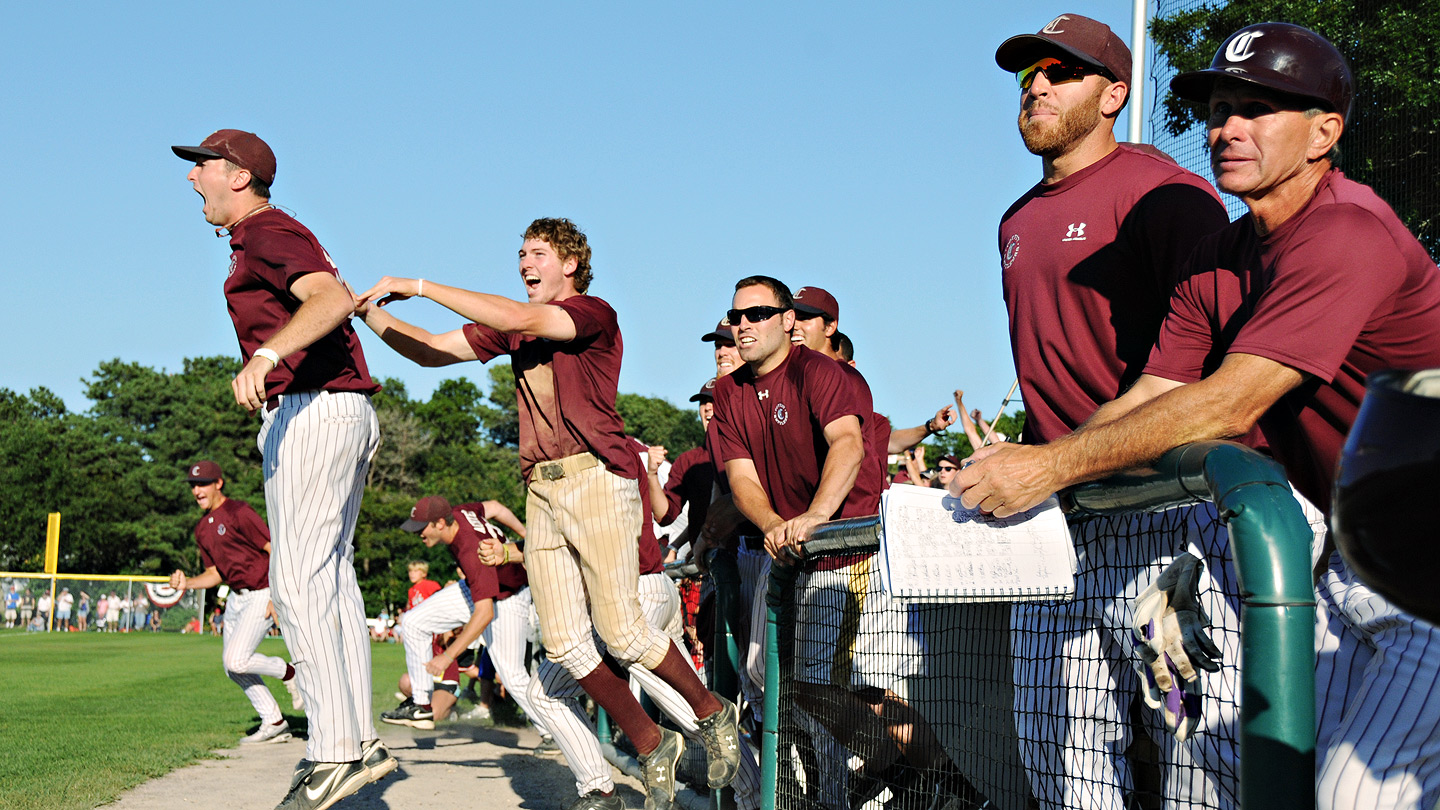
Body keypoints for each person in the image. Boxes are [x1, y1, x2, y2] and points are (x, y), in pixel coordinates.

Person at [958, 22, 1440, 810]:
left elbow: (1230, 400)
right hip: (1353, 553)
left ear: (1325, 133)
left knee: (1345, 794)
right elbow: (1153, 389)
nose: (1227, 129)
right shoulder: (1223, 255)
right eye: (1219, 110)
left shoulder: (1347, 231)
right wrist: (1026, 462)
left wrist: (1050, 467)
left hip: (1425, 558)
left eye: (1259, 110)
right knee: (1273, 775)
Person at [354, 217, 741, 810]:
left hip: (597, 478)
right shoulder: (518, 327)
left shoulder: (591, 312)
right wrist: (367, 313)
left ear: (571, 264)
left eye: (537, 253)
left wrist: (421, 285)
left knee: (623, 632)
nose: (524, 262)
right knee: (563, 645)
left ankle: (713, 713)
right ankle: (651, 741)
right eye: (520, 253)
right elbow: (431, 351)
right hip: (542, 488)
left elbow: (517, 316)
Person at [963, 13, 1239, 808]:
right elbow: (1055, 374)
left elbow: (1205, 374)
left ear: (1115, 94)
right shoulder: (1016, 218)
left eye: (1062, 73)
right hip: (1058, 517)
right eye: (1029, 77)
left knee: (1199, 754)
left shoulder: (1167, 196)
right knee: (1060, 758)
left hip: (1165, 509)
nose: (1037, 88)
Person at [173, 129, 393, 808]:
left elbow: (329, 298)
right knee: (331, 579)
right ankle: (358, 739)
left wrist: (267, 356)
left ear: (239, 176)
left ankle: (335, 750)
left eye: (203, 165)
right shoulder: (262, 236)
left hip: (315, 408)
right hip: (331, 408)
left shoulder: (267, 230)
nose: (192, 177)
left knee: (294, 583)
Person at [712, 275, 990, 809]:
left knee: (841, 688)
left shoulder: (826, 372)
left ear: (790, 321)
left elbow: (853, 443)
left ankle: (932, 779)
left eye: (758, 314)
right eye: (737, 316)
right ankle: (910, 776)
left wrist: (816, 516)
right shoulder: (730, 391)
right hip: (793, 554)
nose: (743, 325)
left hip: (849, 553)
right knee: (782, 682)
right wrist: (773, 524)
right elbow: (741, 477)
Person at [171, 460, 305, 745]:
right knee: (232, 667)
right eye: (193, 486)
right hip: (235, 598)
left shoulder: (239, 512)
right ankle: (274, 721)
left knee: (237, 660)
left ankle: (291, 672)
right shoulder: (201, 529)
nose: (196, 491)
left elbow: (273, 548)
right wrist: (187, 584)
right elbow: (214, 573)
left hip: (261, 591)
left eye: (202, 484)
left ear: (218, 483)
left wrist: (276, 593)